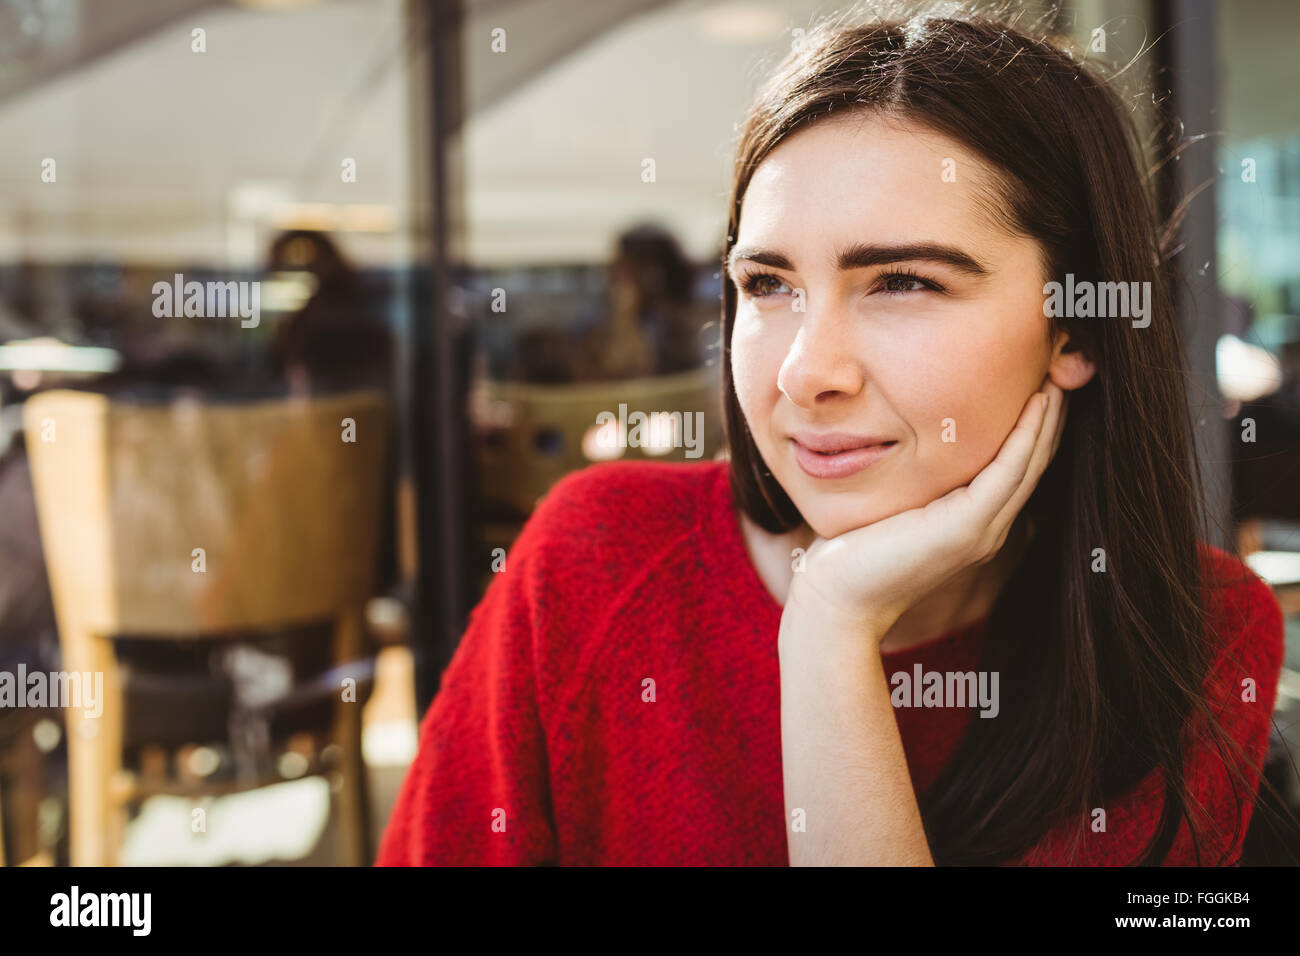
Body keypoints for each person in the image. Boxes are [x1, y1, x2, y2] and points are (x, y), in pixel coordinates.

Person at [376, 8, 1290, 866]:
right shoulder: (597, 562)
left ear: (1075, 328)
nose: (805, 372)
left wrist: (830, 633)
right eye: (768, 285)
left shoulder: (1192, 637)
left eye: (903, 282)